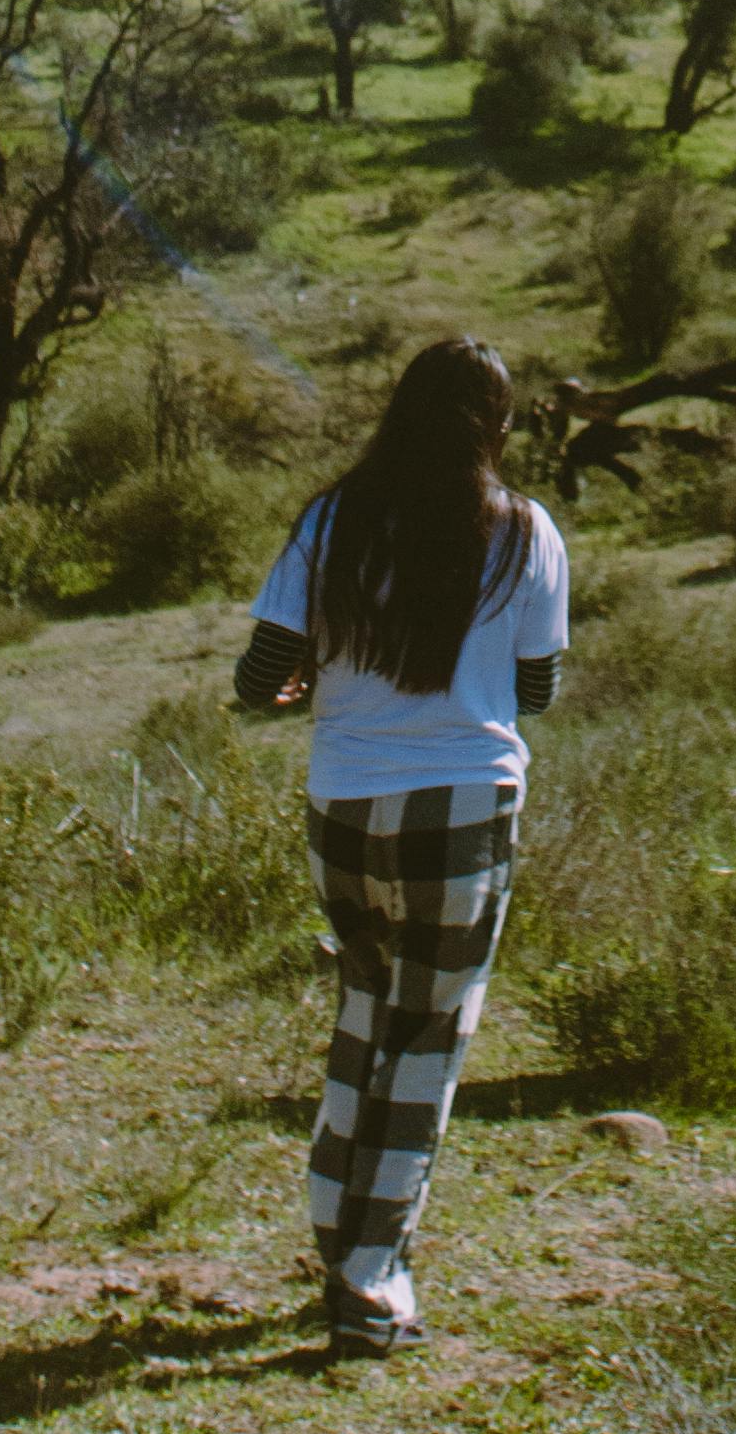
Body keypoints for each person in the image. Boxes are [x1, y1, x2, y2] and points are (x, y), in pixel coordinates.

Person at [234, 336, 568, 1361]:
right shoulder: (524, 531)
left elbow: (262, 676)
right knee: (431, 1036)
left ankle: (340, 1240)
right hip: (464, 801)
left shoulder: (332, 517)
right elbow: (539, 687)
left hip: (344, 801)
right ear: (495, 428)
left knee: (367, 1012)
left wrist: (315, 688)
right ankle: (373, 1276)